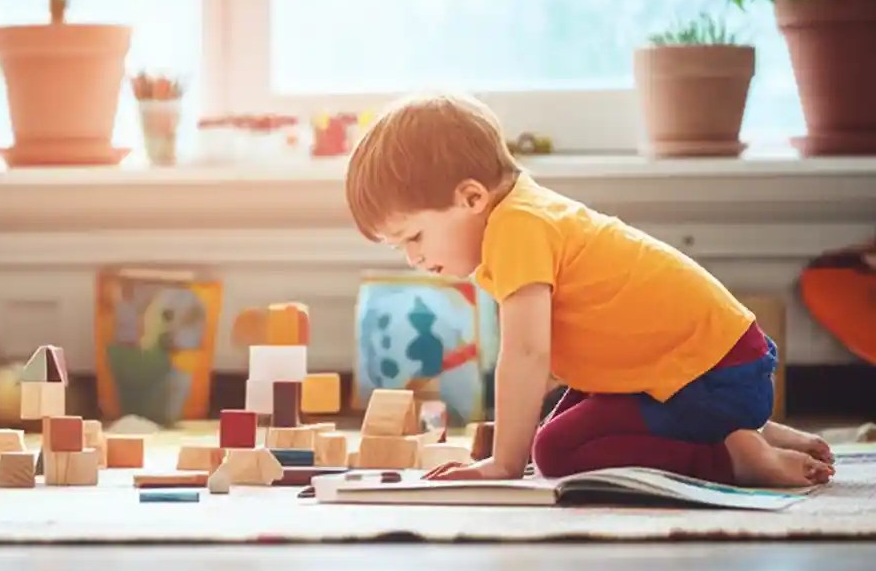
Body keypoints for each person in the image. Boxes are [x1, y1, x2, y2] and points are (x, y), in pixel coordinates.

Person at [344, 92, 834, 487]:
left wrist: (504, 464)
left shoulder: (516, 230)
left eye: (414, 236)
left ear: (471, 197)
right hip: (725, 366)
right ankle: (751, 427)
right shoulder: (525, 210)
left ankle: (730, 458)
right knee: (569, 420)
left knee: (555, 451)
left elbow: (528, 353)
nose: (413, 257)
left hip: (713, 379)